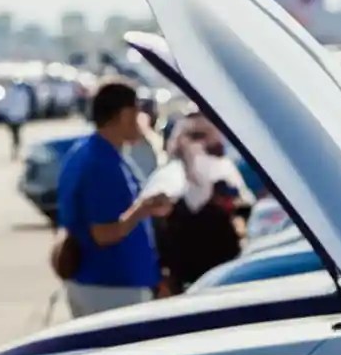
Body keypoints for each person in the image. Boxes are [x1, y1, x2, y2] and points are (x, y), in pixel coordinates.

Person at [56, 80, 172, 318]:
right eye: (138, 112)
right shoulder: (101, 164)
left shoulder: (93, 153)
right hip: (110, 288)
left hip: (108, 285)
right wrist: (142, 209)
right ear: (126, 115)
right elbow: (104, 233)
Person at [155, 111, 251, 295]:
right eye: (193, 137)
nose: (197, 145)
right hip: (184, 285)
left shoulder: (226, 178)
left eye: (202, 136)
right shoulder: (167, 181)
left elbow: (245, 213)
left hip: (226, 281)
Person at [0, 81, 31, 161]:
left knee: (16, 136)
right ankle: (15, 152)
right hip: (15, 117)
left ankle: (15, 152)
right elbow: (25, 105)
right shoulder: (21, 93)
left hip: (15, 117)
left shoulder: (18, 93)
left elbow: (24, 105)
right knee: (16, 136)